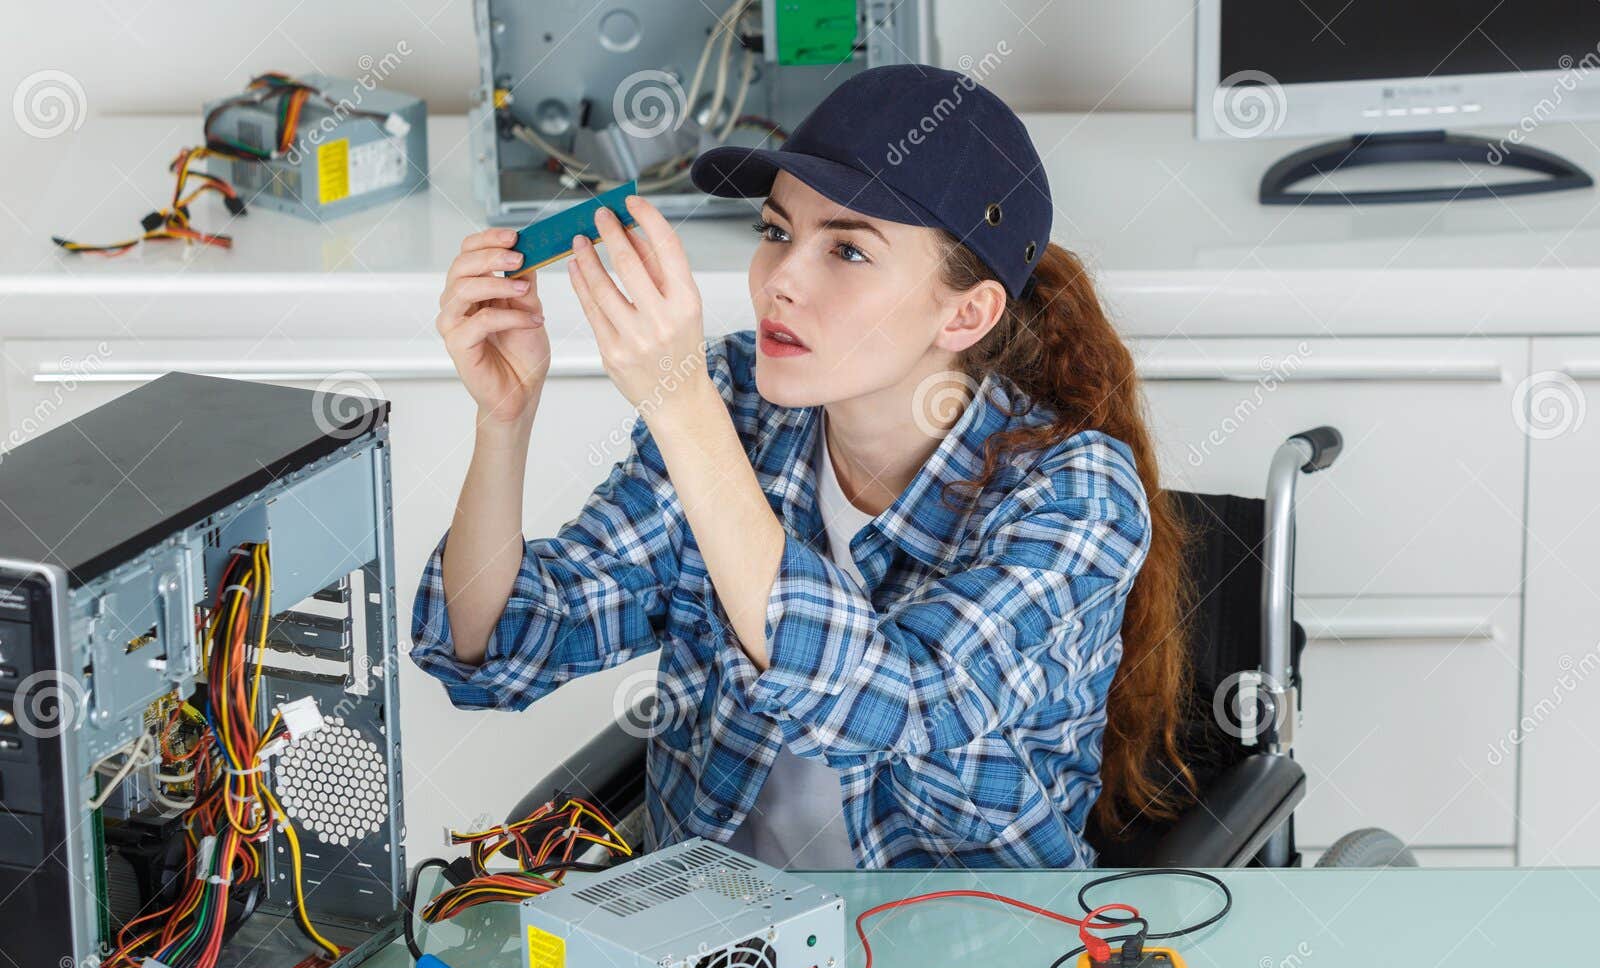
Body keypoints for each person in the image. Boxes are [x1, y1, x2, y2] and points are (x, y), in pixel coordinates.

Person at [409, 64, 1192, 870]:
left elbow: (895, 704)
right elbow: (501, 641)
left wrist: (681, 408)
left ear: (967, 313)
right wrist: (505, 419)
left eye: (848, 250)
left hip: (963, 932)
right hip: (710, 926)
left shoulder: (1076, 493)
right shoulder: (735, 400)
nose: (780, 281)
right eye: (777, 232)